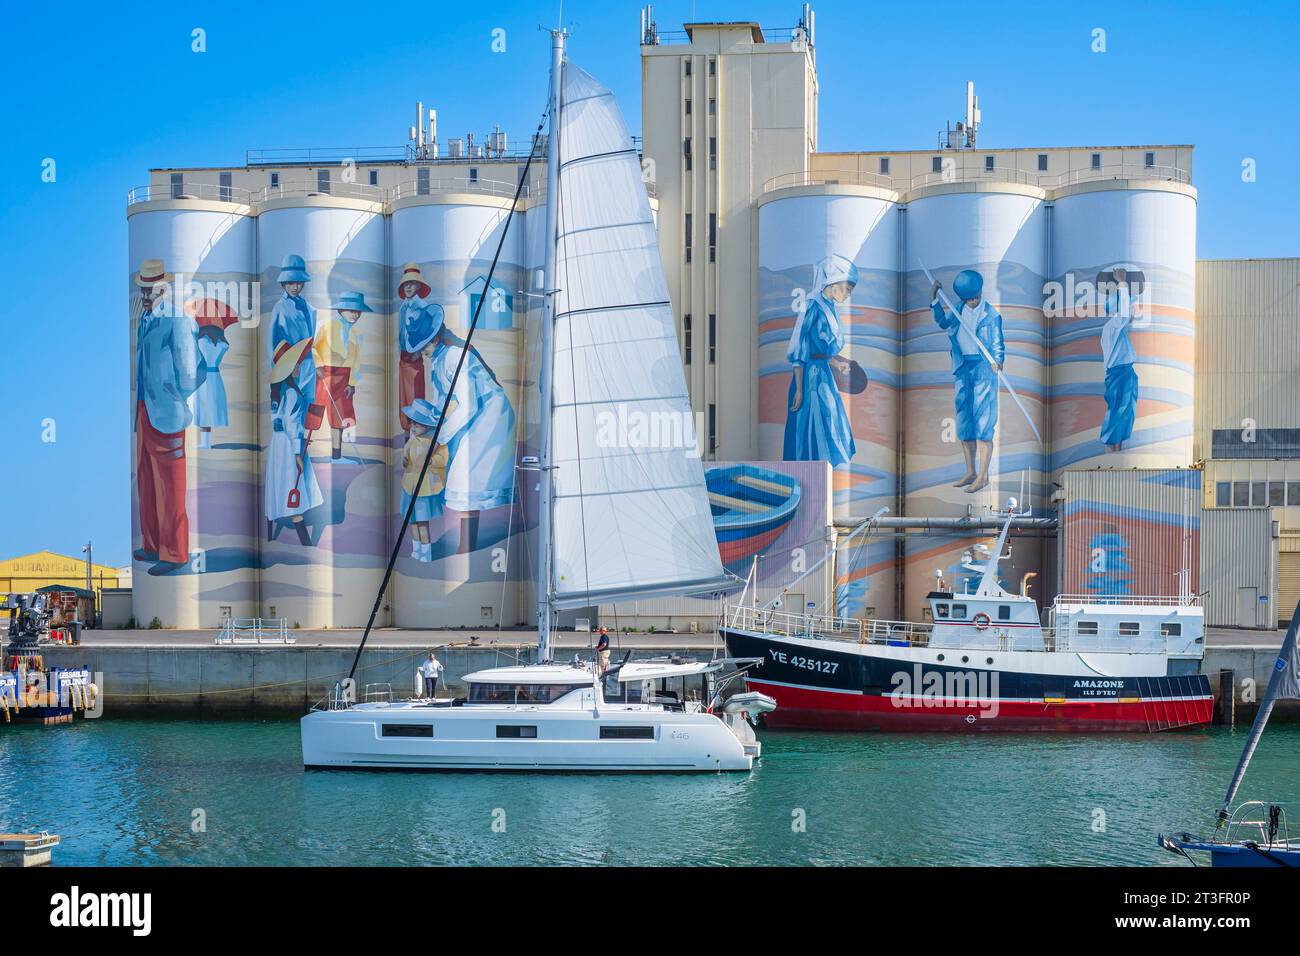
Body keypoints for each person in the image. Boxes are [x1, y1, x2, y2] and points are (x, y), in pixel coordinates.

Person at [424, 320, 517, 554]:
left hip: (488, 417)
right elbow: (443, 401)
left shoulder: (455, 357)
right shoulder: (439, 361)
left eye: (423, 346)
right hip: (475, 418)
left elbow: (468, 403)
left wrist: (441, 437)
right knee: (464, 481)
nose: (421, 352)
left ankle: (466, 546)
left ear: (435, 340)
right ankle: (466, 545)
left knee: (467, 480)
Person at [134, 258, 200, 572]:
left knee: (171, 485)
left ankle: (174, 553)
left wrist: (174, 395)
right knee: (146, 480)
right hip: (145, 410)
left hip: (167, 413)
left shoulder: (178, 319)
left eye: (151, 290)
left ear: (164, 287)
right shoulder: (145, 319)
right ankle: (152, 544)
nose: (146, 296)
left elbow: (189, 373)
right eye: (143, 290)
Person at [931, 269, 1004, 493]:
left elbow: (998, 343)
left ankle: (983, 476)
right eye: (968, 298)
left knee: (983, 423)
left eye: (974, 297)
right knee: (965, 421)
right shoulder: (959, 309)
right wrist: (934, 298)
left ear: (980, 292)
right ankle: (970, 471)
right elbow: (943, 323)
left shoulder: (991, 316)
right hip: (963, 368)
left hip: (983, 368)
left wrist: (997, 361)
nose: (972, 301)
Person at [783, 254, 858, 468]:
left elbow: (821, 351)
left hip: (823, 374)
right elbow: (800, 347)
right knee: (812, 424)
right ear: (833, 282)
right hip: (808, 378)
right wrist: (799, 388)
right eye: (847, 288)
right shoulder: (812, 306)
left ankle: (825, 475)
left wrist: (837, 364)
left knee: (831, 421)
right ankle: (813, 473)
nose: (848, 294)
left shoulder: (829, 307)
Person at [266, 339, 324, 545]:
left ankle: (269, 536)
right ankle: (306, 544)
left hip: (277, 444)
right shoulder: (291, 393)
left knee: (277, 486)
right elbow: (293, 425)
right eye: (295, 364)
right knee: (294, 489)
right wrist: (298, 454)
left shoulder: (276, 391)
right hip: (290, 444)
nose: (298, 367)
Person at [314, 290, 372, 461]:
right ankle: (306, 449)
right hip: (326, 374)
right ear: (340, 310)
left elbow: (356, 361)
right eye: (351, 310)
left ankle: (337, 454)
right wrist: (318, 365)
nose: (355, 315)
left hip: (344, 378)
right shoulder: (327, 326)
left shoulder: (355, 334)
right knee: (317, 412)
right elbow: (314, 348)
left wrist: (352, 383)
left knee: (339, 416)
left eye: (358, 311)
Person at [401, 398, 453, 561]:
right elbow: (406, 455)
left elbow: (443, 459)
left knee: (422, 521)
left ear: (428, 425)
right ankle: (417, 548)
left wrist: (431, 461)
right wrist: (404, 460)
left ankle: (426, 550)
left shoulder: (436, 442)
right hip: (409, 485)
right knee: (412, 520)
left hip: (424, 488)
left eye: (417, 424)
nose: (413, 427)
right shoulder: (412, 440)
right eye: (411, 423)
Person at [1099, 267, 1139, 452]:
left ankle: (1117, 453)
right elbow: (1123, 314)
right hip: (1119, 374)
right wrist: (1122, 283)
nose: (1132, 311)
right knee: (1118, 414)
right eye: (1130, 306)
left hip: (1124, 373)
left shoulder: (1117, 330)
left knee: (1125, 414)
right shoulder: (1113, 325)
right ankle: (1111, 457)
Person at [397, 264, 438, 432]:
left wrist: (417, 353)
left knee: (414, 392)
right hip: (403, 355)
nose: (408, 287)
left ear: (419, 286)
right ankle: (407, 428)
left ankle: (415, 428)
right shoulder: (403, 306)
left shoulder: (422, 306)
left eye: (412, 283)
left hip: (414, 356)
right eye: (405, 284)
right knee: (404, 394)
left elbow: (429, 331)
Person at [190, 322, 230, 448]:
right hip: (216, 377)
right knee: (211, 409)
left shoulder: (201, 342)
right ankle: (206, 442)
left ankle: (205, 443)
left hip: (203, 377)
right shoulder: (222, 345)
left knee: (203, 410)